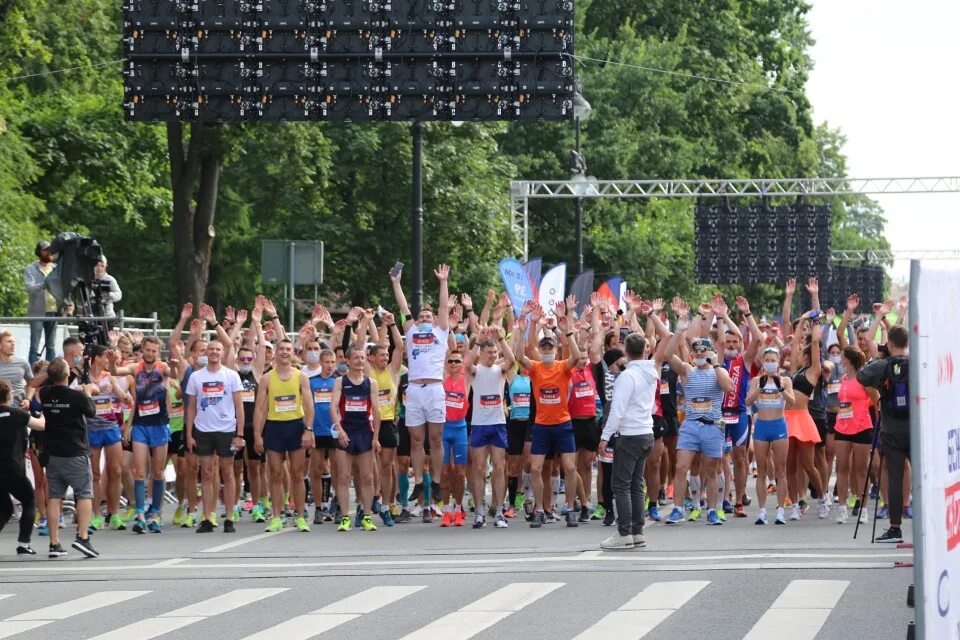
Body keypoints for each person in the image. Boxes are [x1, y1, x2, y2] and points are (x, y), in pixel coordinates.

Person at [599, 305, 668, 550]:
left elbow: (617, 411)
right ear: (644, 351)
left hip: (629, 434)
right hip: (647, 432)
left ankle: (624, 532)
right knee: (637, 483)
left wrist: (605, 437)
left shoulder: (627, 377)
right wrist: (651, 315)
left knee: (621, 484)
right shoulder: (652, 370)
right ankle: (637, 531)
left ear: (625, 351)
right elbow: (668, 338)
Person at [664, 300, 736, 527]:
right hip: (691, 425)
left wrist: (715, 365)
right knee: (681, 466)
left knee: (711, 471)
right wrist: (679, 330)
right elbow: (668, 355)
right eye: (696, 350)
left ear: (711, 352)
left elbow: (729, 388)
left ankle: (713, 510)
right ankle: (677, 508)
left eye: (703, 349)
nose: (698, 353)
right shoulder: (688, 370)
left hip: (713, 425)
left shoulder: (719, 371)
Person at [515, 300, 583, 528]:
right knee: (535, 468)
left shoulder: (562, 366)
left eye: (549, 348)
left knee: (570, 467)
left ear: (555, 349)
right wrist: (524, 328)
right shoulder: (535, 367)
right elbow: (519, 356)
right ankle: (538, 509)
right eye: (543, 348)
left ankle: (571, 507)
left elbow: (576, 357)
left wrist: (568, 333)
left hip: (563, 424)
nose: (546, 351)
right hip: (542, 426)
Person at [390, 264, 450, 510]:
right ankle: (418, 482)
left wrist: (443, 282)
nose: (425, 319)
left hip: (435, 390)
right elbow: (403, 307)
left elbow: (444, 307)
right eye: (421, 316)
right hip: (414, 390)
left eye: (429, 316)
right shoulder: (411, 331)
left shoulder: (441, 331)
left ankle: (435, 481)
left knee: (435, 439)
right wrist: (396, 283)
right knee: (416, 439)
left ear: (434, 320)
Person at [38, 358, 99, 558]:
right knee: (84, 493)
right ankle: (82, 537)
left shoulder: (45, 393)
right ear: (66, 374)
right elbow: (91, 412)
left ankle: (54, 543)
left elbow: (49, 381)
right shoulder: (77, 397)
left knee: (55, 497)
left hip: (53, 452)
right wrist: (88, 392)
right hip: (75, 451)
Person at [254, 338, 315, 533]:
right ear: (277, 352)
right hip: (274, 427)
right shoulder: (267, 378)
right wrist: (257, 434)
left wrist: (308, 429)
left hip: (295, 426)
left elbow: (308, 405)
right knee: (275, 473)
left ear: (292, 353)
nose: (285, 352)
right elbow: (261, 409)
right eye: (281, 349)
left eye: (288, 349)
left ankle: (300, 516)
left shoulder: (301, 376)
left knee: (297, 474)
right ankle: (277, 516)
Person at [185, 340, 245, 533]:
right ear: (206, 352)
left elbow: (239, 406)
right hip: (203, 429)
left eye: (218, 349)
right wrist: (189, 434)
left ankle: (229, 518)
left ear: (223, 353)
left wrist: (240, 434)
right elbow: (191, 406)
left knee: (227, 472)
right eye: (210, 349)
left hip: (226, 429)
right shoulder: (196, 377)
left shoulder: (231, 375)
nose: (214, 352)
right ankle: (208, 517)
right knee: (207, 473)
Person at [857, 324, 910, 543]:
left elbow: (861, 377)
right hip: (916, 430)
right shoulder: (917, 363)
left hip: (891, 430)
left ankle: (895, 528)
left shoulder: (882, 365)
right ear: (907, 343)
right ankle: (931, 525)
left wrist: (878, 357)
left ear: (888, 344)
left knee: (895, 477)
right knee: (923, 478)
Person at [466, 325, 515, 529]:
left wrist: (501, 339)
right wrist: (478, 341)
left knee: (499, 467)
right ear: (482, 354)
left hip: (497, 424)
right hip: (479, 424)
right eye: (489, 352)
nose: (493, 355)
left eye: (495, 352)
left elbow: (512, 361)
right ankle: (479, 512)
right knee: (478, 469)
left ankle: (499, 510)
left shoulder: (500, 370)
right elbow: (467, 363)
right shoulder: (476, 371)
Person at [329, 345, 381, 532]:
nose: (360, 360)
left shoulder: (371, 383)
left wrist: (376, 438)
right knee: (343, 476)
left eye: (362, 357)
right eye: (356, 358)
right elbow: (333, 408)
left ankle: (366, 515)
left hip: (364, 433)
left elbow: (377, 411)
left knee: (367, 477)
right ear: (348, 361)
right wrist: (340, 430)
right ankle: (344, 517)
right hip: (346, 432)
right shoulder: (340, 382)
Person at [126, 336, 173, 533]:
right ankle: (140, 514)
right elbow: (114, 371)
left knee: (158, 472)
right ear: (142, 350)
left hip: (159, 425)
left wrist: (177, 364)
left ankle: (155, 514)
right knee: (138, 471)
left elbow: (176, 372)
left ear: (158, 353)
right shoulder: (135, 368)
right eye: (148, 350)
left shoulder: (162, 368)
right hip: (140, 425)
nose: (151, 354)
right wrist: (111, 362)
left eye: (155, 351)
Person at [745, 347, 795, 525]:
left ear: (778, 361)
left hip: (779, 425)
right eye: (768, 360)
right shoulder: (757, 380)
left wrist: (781, 388)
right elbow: (748, 402)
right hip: (762, 427)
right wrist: (759, 389)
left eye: (774, 360)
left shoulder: (785, 380)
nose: (771, 363)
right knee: (762, 471)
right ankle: (762, 511)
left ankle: (781, 510)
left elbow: (792, 401)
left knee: (781, 470)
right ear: (763, 363)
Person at [0, 380, 46, 555]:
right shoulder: (16, 414)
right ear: (9, 395)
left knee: (4, 508)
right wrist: (43, 414)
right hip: (13, 468)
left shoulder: (17, 414)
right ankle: (24, 544)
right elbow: (41, 426)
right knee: (28, 501)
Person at [833, 346, 873, 525]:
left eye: (842, 357)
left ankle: (863, 508)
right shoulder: (843, 379)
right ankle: (842, 508)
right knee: (842, 467)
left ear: (848, 359)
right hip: (842, 426)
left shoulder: (865, 379)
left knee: (861, 468)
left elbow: (875, 399)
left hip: (862, 426)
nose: (840, 360)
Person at [24, 240, 59, 364]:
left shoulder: (56, 268)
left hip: (54, 311)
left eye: (50, 250)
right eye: (46, 250)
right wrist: (44, 284)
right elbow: (29, 288)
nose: (49, 252)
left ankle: (52, 375)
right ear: (39, 252)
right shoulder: (31, 268)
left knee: (51, 346)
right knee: (35, 346)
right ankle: (33, 374)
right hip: (37, 312)